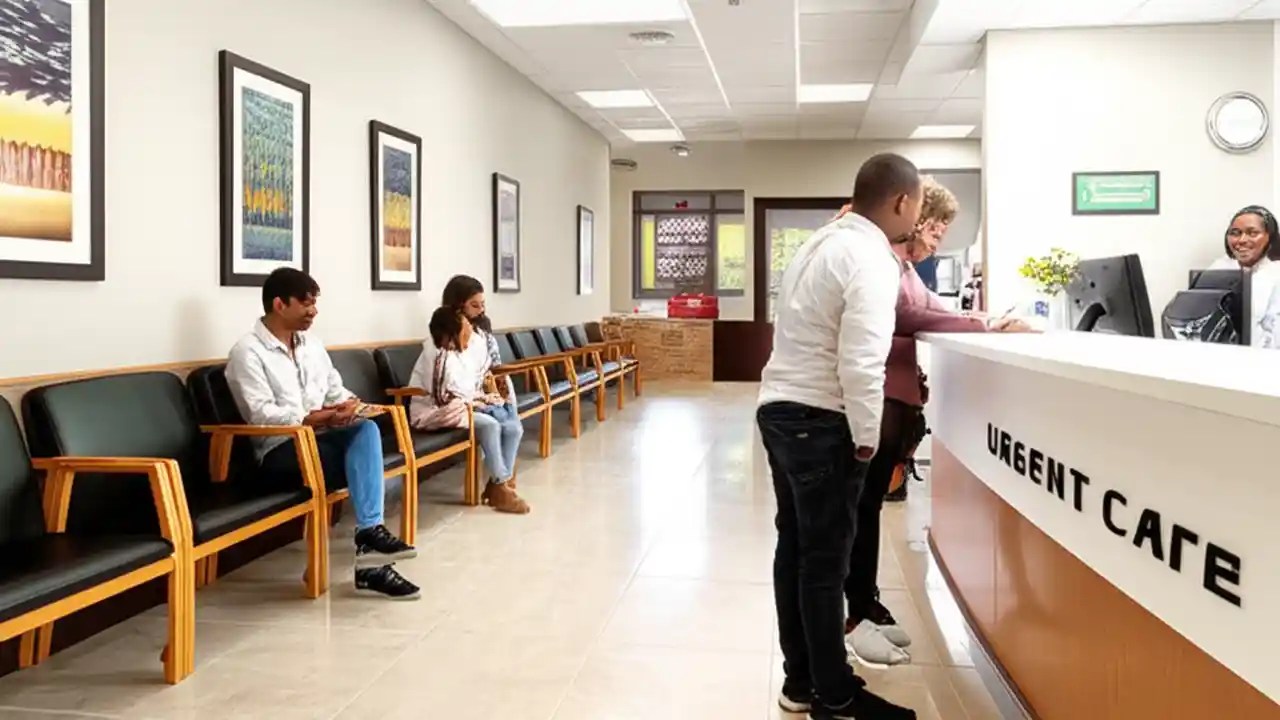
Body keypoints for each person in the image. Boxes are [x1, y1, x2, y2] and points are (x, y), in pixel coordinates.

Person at [757, 153, 923, 720]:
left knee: (796, 551)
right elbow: (862, 359)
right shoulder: (872, 257)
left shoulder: (820, 242)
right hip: (822, 420)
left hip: (779, 410)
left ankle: (801, 682)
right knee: (825, 563)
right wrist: (868, 439)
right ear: (902, 201)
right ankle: (838, 696)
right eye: (919, 204)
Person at [839, 177, 1029, 667]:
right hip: (871, 404)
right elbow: (905, 314)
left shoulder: (902, 265)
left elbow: (929, 308)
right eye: (936, 233)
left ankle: (865, 603)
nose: (935, 245)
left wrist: (983, 319)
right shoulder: (877, 259)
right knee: (857, 514)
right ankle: (856, 612)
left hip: (892, 403)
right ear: (916, 219)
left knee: (866, 512)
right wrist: (980, 324)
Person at [226, 268, 420, 600]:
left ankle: (369, 540)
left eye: (315, 303)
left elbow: (334, 390)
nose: (313, 311)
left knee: (366, 428)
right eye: (306, 303)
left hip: (320, 442)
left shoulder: (312, 346)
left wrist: (348, 406)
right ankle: (370, 554)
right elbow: (260, 414)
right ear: (279, 304)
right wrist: (318, 418)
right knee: (363, 447)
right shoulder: (247, 352)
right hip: (281, 451)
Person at [409, 306, 529, 514]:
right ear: (451, 333)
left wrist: (480, 398)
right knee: (491, 424)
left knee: (512, 428)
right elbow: (443, 396)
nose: (469, 335)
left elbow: (470, 384)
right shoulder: (436, 353)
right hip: (434, 412)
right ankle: (501, 484)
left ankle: (498, 486)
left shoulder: (458, 352)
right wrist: (475, 401)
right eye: (464, 331)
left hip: (459, 407)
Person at [1210, 205, 1280, 273]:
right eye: (1235, 233)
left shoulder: (1276, 273)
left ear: (1270, 237)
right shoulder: (1218, 269)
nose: (1242, 240)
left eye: (1252, 233)